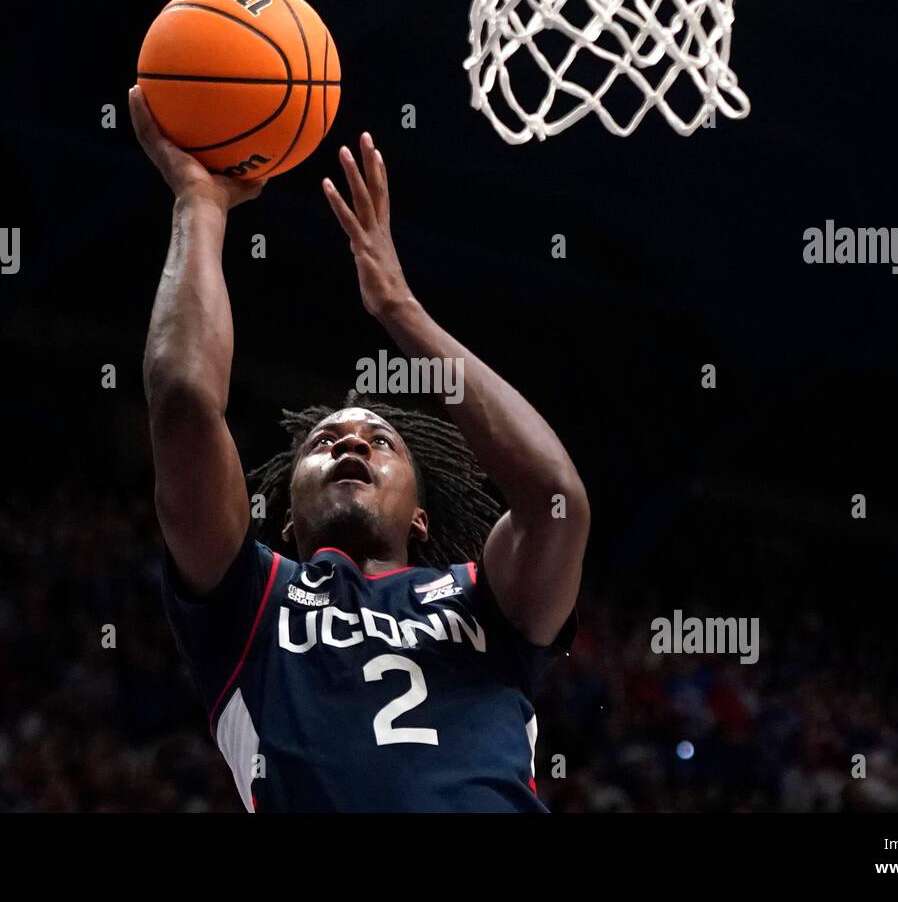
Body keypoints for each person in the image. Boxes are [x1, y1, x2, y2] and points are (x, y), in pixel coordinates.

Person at [131, 85, 589, 811]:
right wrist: (199, 202)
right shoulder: (249, 601)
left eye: (382, 442)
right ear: (285, 520)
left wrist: (398, 306)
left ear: (420, 518)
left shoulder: (486, 600)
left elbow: (556, 501)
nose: (351, 445)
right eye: (324, 442)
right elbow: (184, 403)